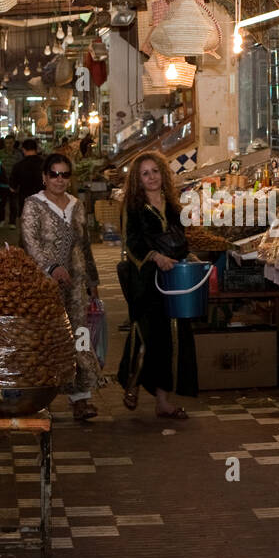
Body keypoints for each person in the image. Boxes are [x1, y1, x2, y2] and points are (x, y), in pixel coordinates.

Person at [117, 151, 197, 420]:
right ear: (138, 180)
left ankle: (163, 401)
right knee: (145, 335)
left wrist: (188, 257)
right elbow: (131, 243)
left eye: (155, 172)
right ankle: (132, 379)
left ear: (163, 174)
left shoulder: (173, 205)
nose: (151, 177)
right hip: (146, 280)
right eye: (145, 173)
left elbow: (180, 238)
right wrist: (154, 256)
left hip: (174, 279)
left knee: (169, 338)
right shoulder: (132, 207)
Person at [22, 152, 101, 421]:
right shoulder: (33, 205)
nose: (59, 179)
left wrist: (93, 280)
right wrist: (52, 267)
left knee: (79, 336)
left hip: (77, 283)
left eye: (65, 174)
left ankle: (81, 398)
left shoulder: (77, 205)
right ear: (44, 177)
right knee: (49, 339)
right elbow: (30, 241)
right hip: (46, 284)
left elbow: (85, 245)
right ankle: (41, 400)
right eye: (54, 174)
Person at [11, 138, 45, 241]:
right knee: (43, 229)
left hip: (25, 202)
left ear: (23, 150)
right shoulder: (45, 164)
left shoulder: (18, 166)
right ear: (36, 149)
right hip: (44, 201)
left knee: (27, 232)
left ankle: (26, 253)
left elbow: (13, 188)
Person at [0, 133, 21, 227]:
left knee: (13, 204)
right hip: (2, 183)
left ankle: (12, 222)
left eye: (11, 143)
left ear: (14, 143)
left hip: (14, 182)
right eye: (7, 143)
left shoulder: (18, 154)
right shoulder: (0, 153)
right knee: (1, 203)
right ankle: (1, 220)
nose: (9, 145)